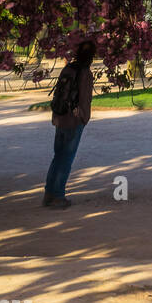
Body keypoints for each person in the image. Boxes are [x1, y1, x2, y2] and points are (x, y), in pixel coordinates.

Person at [44, 41, 96, 209]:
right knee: (66, 158)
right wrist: (84, 118)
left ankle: (49, 194)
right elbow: (85, 100)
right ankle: (58, 196)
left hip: (60, 117)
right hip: (73, 120)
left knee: (58, 156)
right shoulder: (85, 73)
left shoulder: (68, 69)